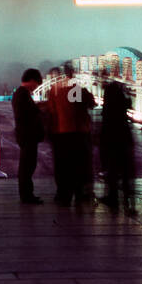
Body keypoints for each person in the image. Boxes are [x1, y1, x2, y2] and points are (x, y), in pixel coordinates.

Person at [49, 62, 96, 205]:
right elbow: (91, 104)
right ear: (74, 73)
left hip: (61, 132)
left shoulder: (55, 90)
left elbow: (51, 111)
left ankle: (63, 194)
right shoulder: (79, 89)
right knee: (80, 164)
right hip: (79, 132)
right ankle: (80, 192)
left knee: (62, 165)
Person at [99, 81, 135, 211]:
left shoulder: (108, 106)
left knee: (112, 169)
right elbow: (129, 103)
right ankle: (127, 197)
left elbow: (105, 123)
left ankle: (113, 197)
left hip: (111, 138)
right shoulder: (122, 102)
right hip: (124, 137)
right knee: (125, 169)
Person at [11, 68, 45, 204]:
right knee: (27, 166)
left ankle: (28, 194)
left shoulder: (20, 93)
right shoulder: (22, 94)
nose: (36, 88)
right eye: (36, 84)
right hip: (27, 135)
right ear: (31, 81)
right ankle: (27, 195)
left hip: (25, 135)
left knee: (28, 165)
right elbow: (27, 114)